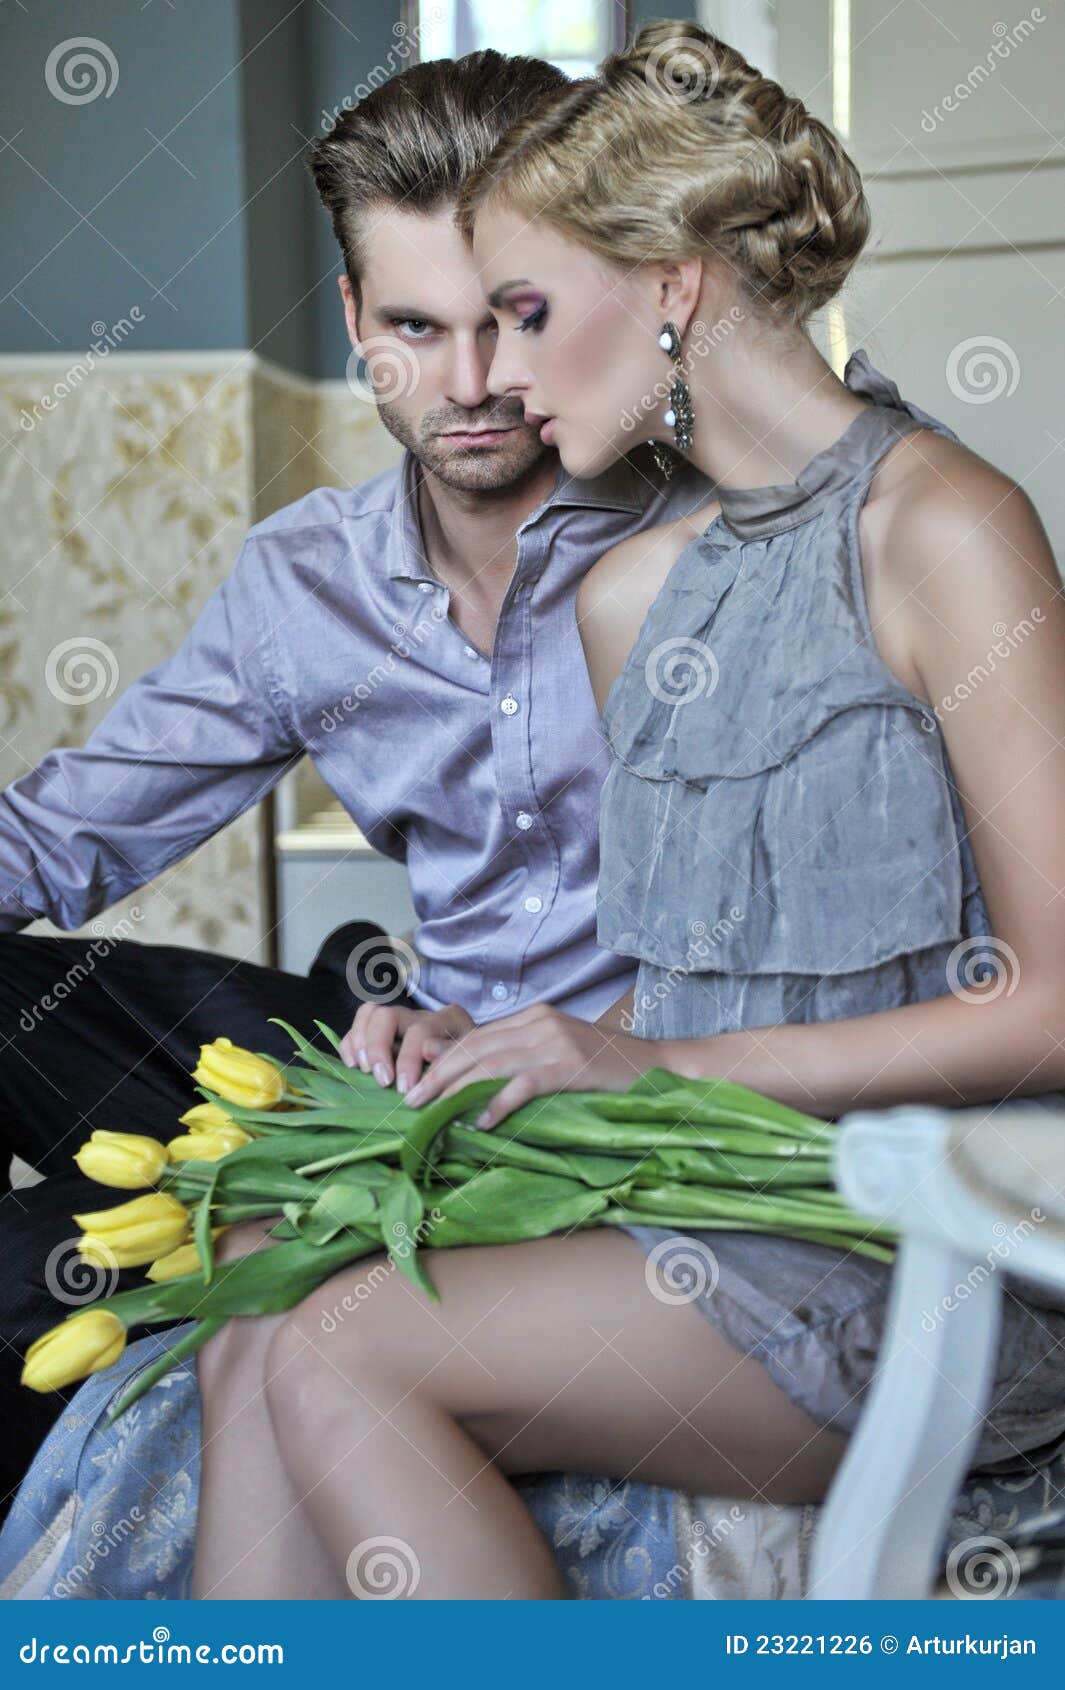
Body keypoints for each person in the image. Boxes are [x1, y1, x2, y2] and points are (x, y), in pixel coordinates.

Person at [188, 20, 1065, 1600]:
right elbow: (670, 984)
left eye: (526, 312)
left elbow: (1052, 1008)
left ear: (669, 285)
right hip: (694, 1196)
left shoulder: (945, 529)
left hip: (921, 1234)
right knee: (255, 1285)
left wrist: (658, 1067)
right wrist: (472, 1043)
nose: (497, 376)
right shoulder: (629, 597)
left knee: (335, 1347)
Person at [0, 46, 712, 1509]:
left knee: (27, 1289)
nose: (471, 384)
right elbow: (62, 832)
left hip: (611, 1098)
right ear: (353, 321)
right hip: (386, 1060)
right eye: (413, 327)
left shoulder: (714, 544)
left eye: (511, 319)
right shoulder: (304, 581)